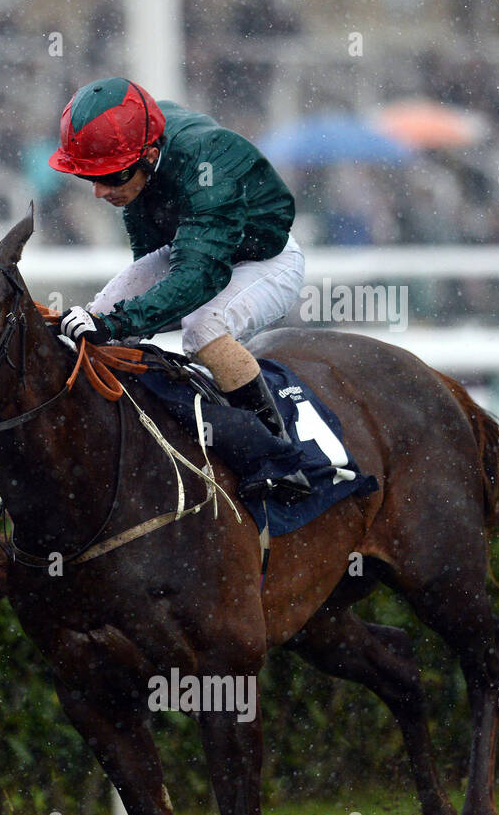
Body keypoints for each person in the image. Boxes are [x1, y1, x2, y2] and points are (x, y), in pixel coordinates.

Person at [49, 79, 311, 503]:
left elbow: (197, 279)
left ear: (150, 156)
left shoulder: (208, 167)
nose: (98, 191)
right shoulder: (141, 148)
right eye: (89, 177)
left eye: (110, 177)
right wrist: (111, 321)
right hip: (202, 248)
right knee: (97, 316)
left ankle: (278, 460)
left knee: (202, 330)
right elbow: (153, 261)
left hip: (266, 259)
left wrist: (116, 323)